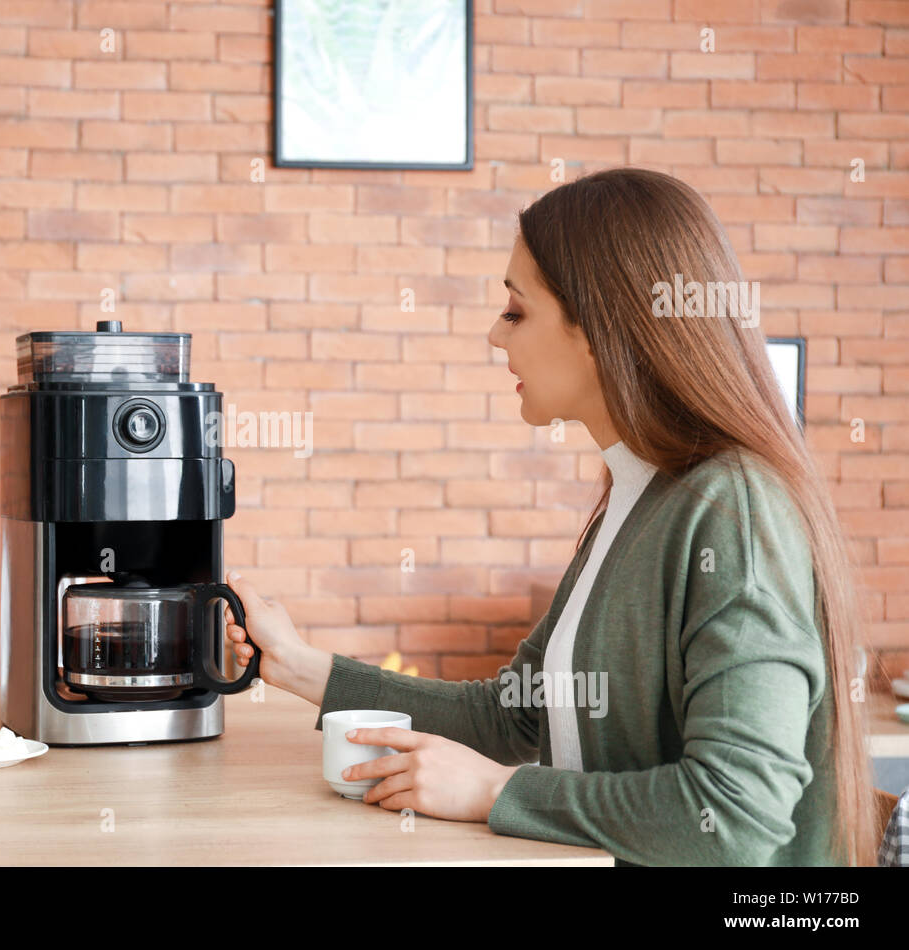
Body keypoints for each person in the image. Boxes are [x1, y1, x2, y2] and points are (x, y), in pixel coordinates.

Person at [223, 167, 882, 866]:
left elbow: (732, 814)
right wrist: (292, 663)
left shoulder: (732, 512)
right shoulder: (637, 494)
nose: (494, 336)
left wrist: (496, 791)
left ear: (600, 327)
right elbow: (512, 712)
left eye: (516, 310)